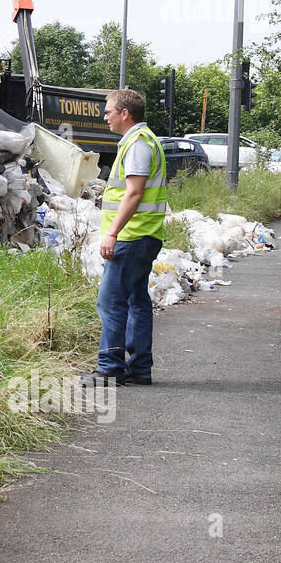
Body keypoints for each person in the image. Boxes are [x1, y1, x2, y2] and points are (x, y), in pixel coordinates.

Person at [82, 88, 168, 387]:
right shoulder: (141, 140)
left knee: (111, 301)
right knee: (136, 299)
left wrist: (113, 233)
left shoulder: (138, 143)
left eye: (108, 111)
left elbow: (134, 191)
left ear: (124, 113)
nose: (104, 116)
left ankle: (109, 369)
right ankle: (140, 368)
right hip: (144, 234)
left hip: (132, 236)